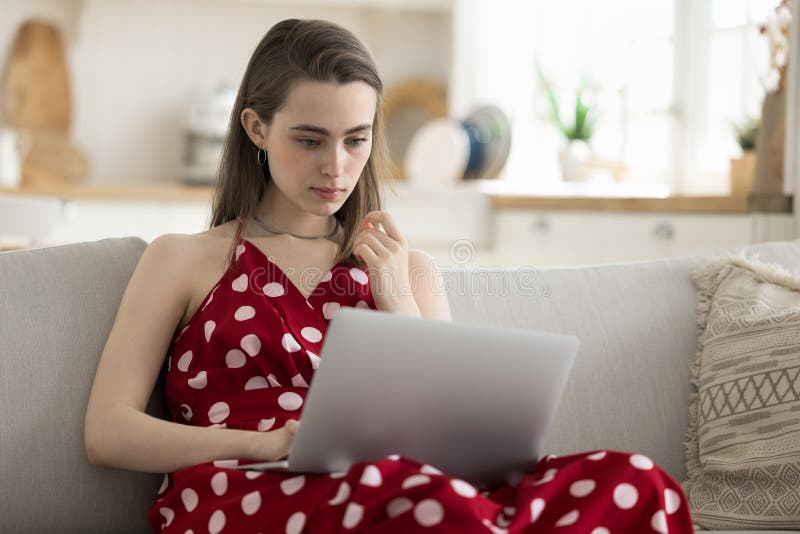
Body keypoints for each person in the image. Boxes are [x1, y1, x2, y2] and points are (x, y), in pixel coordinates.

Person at [84, 18, 695, 533]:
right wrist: (261, 444)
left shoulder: (408, 270)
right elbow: (108, 431)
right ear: (256, 129)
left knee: (638, 483)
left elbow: (457, 440)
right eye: (310, 139)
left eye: (356, 139)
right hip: (242, 496)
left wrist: (398, 300)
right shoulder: (184, 259)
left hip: (408, 491)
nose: (336, 166)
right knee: (427, 503)